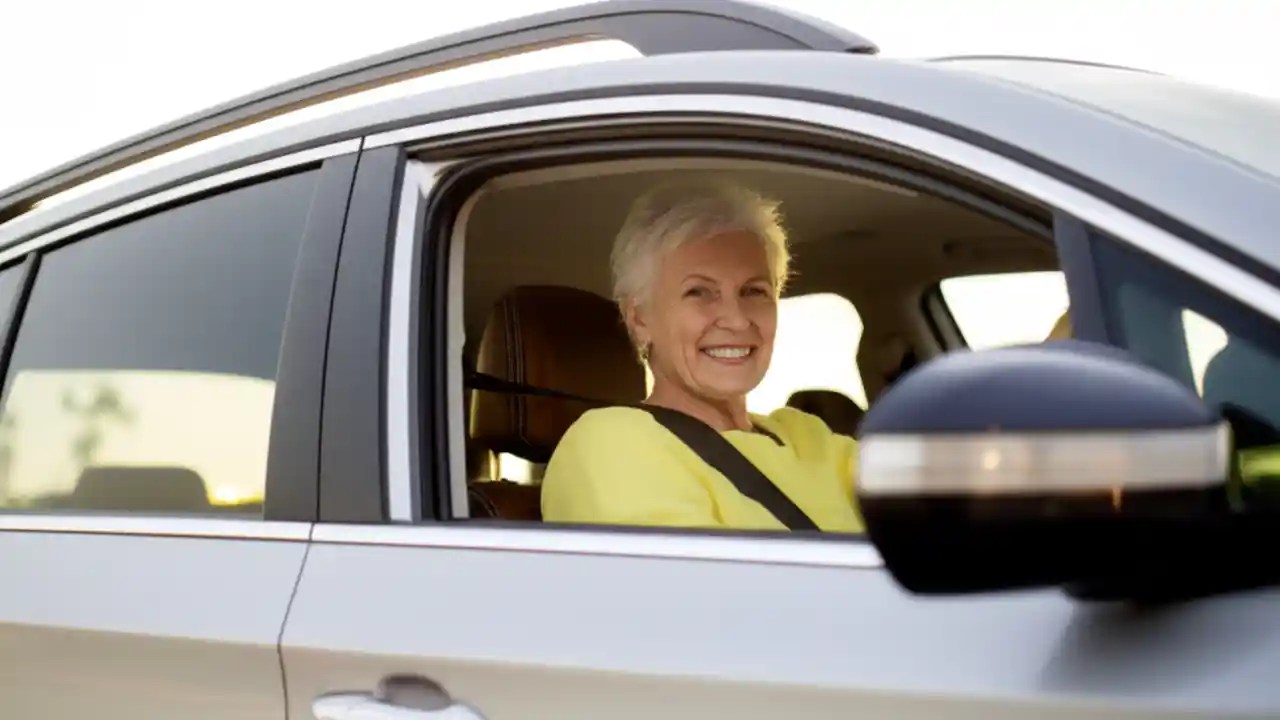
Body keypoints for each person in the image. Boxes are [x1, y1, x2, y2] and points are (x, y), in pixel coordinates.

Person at [540, 179, 863, 533]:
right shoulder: (608, 443)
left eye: (753, 291)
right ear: (640, 318)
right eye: (699, 292)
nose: (737, 319)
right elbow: (696, 587)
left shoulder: (806, 434)